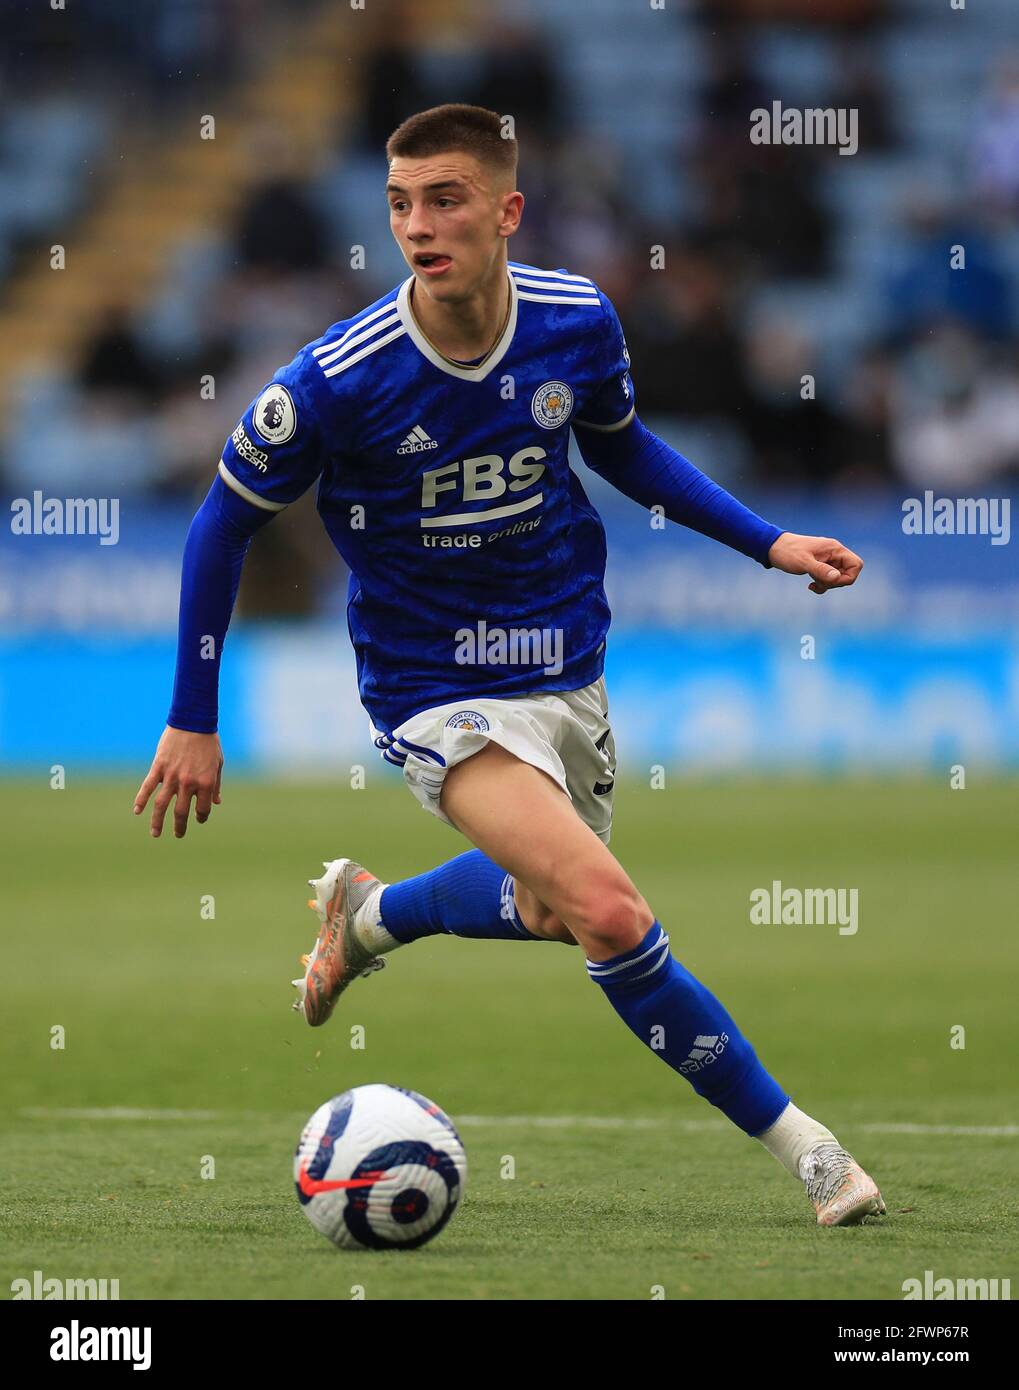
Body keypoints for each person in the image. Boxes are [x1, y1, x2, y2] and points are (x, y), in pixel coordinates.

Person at [134, 104, 883, 1227]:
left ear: (505, 210)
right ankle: (811, 1152)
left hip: (564, 665)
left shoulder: (575, 320)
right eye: (398, 204)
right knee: (610, 911)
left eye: (444, 200)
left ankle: (370, 916)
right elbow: (217, 526)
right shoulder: (339, 378)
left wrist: (767, 541)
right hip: (432, 688)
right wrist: (192, 714)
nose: (418, 226)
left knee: (550, 911)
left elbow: (623, 446)